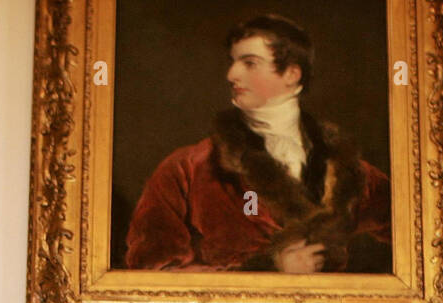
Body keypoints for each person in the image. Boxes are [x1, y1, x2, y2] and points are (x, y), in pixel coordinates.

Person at [124, 14, 391, 273]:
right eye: (233, 62)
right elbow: (153, 276)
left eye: (249, 63)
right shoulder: (188, 169)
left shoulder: (355, 174)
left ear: (291, 74)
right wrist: (266, 269)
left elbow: (415, 256)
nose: (231, 74)